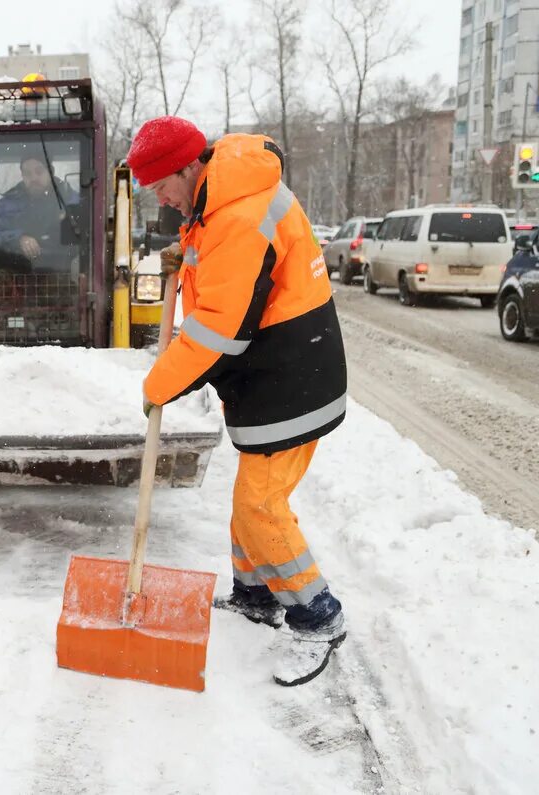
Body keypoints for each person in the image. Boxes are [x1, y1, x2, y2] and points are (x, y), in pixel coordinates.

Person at [127, 118, 348, 687]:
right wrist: (184, 257)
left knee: (259, 506)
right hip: (272, 374)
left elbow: (222, 328)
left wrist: (161, 384)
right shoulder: (220, 196)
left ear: (188, 167)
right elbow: (222, 270)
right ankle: (254, 597)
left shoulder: (240, 214)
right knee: (251, 496)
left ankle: (316, 615)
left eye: (161, 186)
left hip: (291, 375)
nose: (161, 197)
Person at [0, 151, 79, 272]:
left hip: (63, 275)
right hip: (16, 276)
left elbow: (84, 234)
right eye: (27, 173)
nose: (33, 178)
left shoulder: (69, 200)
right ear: (22, 175)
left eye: (39, 171)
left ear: (51, 171)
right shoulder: (7, 204)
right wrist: (18, 239)